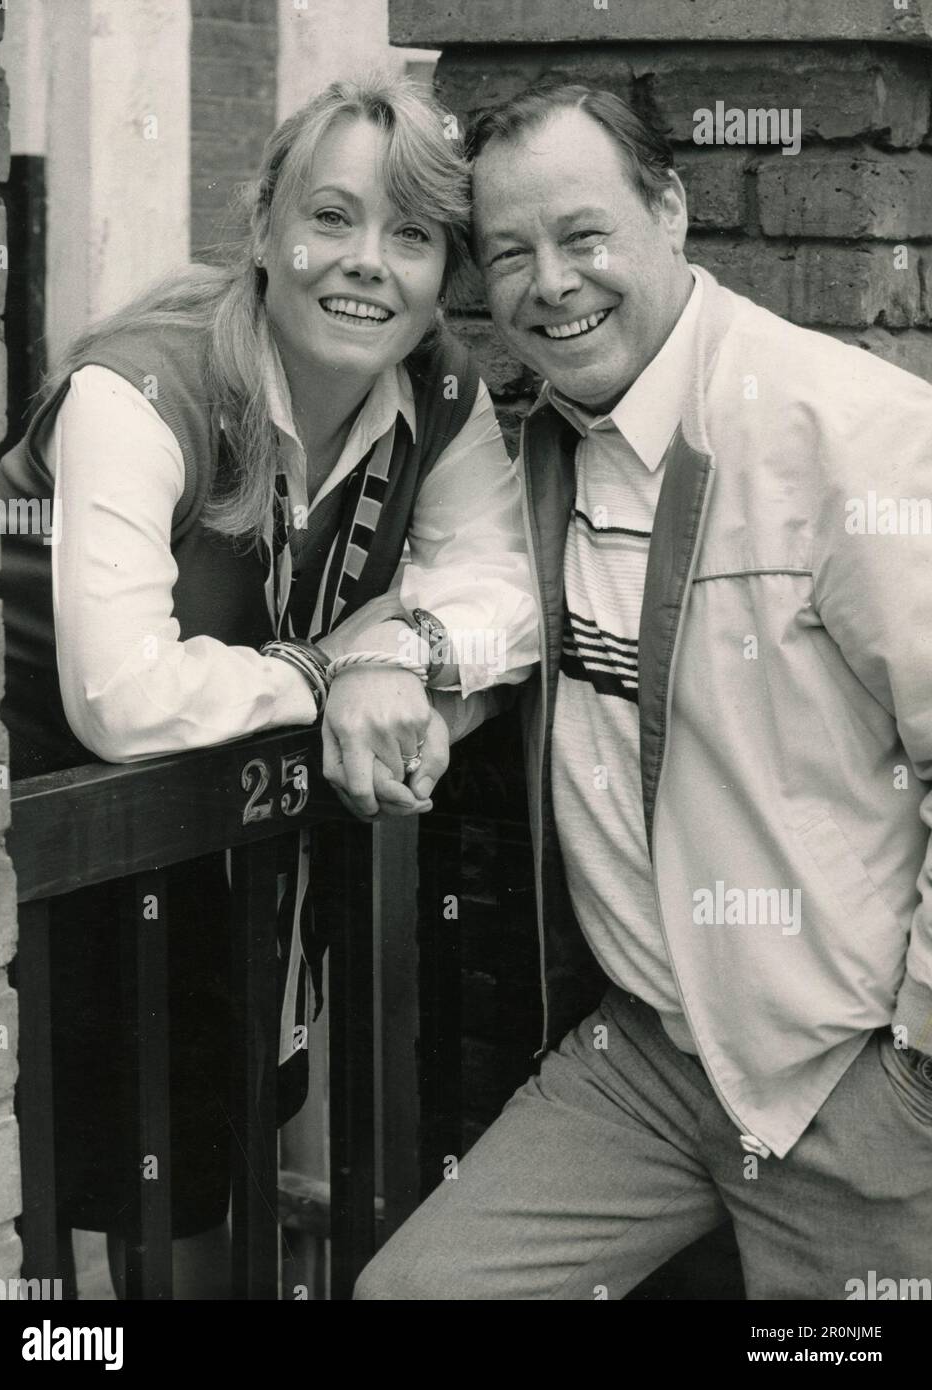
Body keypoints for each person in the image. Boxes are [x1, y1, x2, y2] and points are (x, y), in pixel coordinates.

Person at [355, 82, 932, 1301]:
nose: (550, 282)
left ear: (671, 210)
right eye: (509, 252)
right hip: (650, 1059)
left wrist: (917, 1069)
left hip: (846, 1079)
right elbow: (496, 608)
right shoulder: (559, 440)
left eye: (584, 235)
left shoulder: (852, 434)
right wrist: (387, 658)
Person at [0, 74, 536, 1297]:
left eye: (410, 235)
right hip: (38, 846)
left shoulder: (440, 392)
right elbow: (123, 695)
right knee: (37, 1215)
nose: (366, 264)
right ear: (261, 233)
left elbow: (507, 590)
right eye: (331, 217)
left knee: (198, 1174)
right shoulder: (136, 388)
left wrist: (402, 651)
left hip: (212, 860)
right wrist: (334, 663)